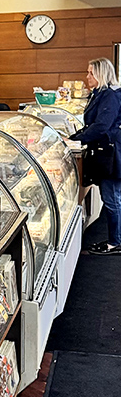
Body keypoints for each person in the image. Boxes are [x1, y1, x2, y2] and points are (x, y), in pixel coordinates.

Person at [71, 57, 121, 254]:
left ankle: (115, 242)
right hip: (107, 152)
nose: (87, 77)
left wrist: (78, 140)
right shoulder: (100, 94)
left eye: (90, 73)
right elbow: (92, 125)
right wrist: (72, 138)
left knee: (111, 198)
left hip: (111, 154)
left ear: (101, 74)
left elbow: (101, 126)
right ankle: (115, 239)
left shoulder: (110, 95)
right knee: (112, 197)